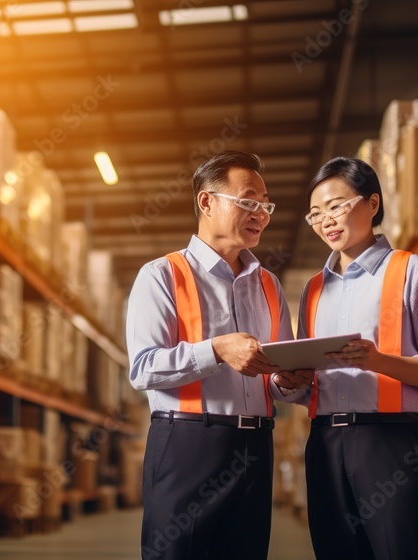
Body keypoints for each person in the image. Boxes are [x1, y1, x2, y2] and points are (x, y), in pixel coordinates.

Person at [126, 151, 314, 560]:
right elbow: (142, 369)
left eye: (265, 205)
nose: (260, 214)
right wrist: (216, 349)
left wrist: (289, 382)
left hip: (255, 448)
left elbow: (275, 377)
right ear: (206, 202)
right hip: (188, 446)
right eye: (248, 201)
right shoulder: (162, 275)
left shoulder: (268, 285)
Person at [280, 157, 418, 559]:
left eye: (336, 205)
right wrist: (289, 382)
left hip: (393, 441)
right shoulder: (312, 290)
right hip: (325, 442)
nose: (326, 220)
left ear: (372, 203)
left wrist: (376, 361)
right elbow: (309, 379)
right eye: (315, 213)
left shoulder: (414, 272)